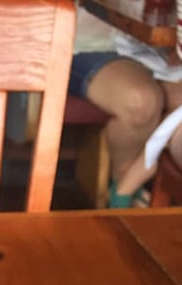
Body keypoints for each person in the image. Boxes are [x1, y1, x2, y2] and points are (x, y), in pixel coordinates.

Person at [71, 6, 182, 206]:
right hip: (94, 39)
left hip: (161, 46)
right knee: (140, 101)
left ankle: (136, 182)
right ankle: (122, 182)